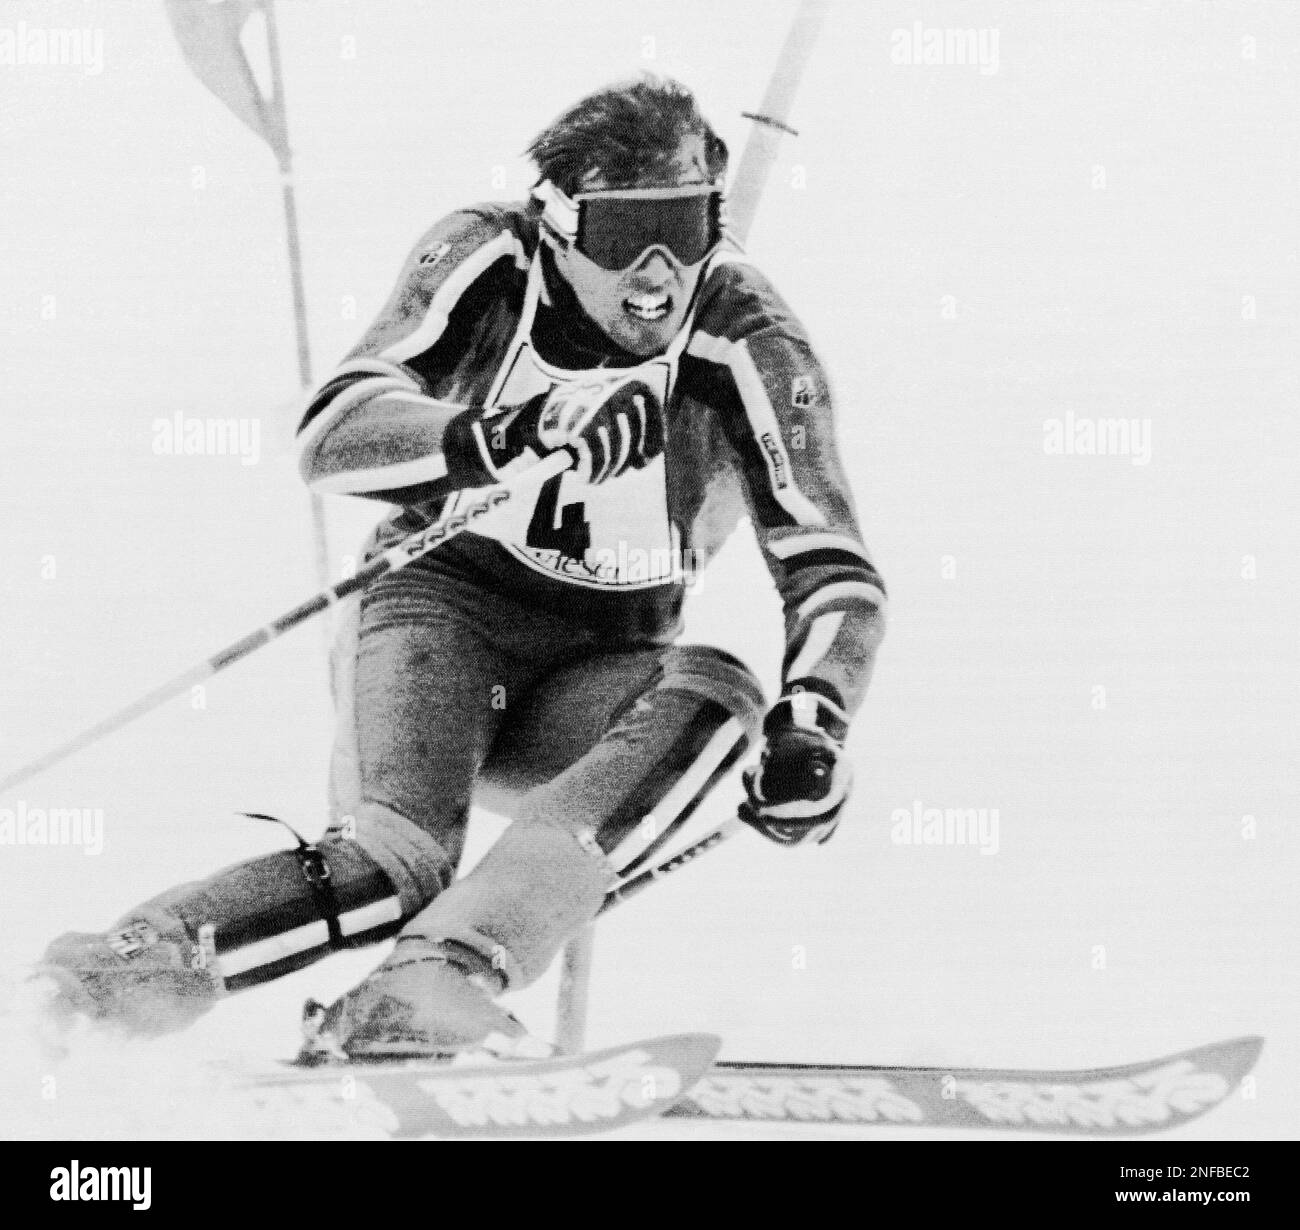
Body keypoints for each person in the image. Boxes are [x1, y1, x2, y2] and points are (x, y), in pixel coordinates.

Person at [36, 76, 887, 1058]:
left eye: (686, 227)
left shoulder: (743, 337)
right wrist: (507, 434)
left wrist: (814, 719)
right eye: (622, 234)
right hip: (441, 610)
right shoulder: (492, 258)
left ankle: (428, 988)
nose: (657, 273)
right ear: (560, 226)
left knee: (721, 699)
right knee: (389, 870)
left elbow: (830, 563)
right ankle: (95, 987)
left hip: (599, 667)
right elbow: (333, 430)